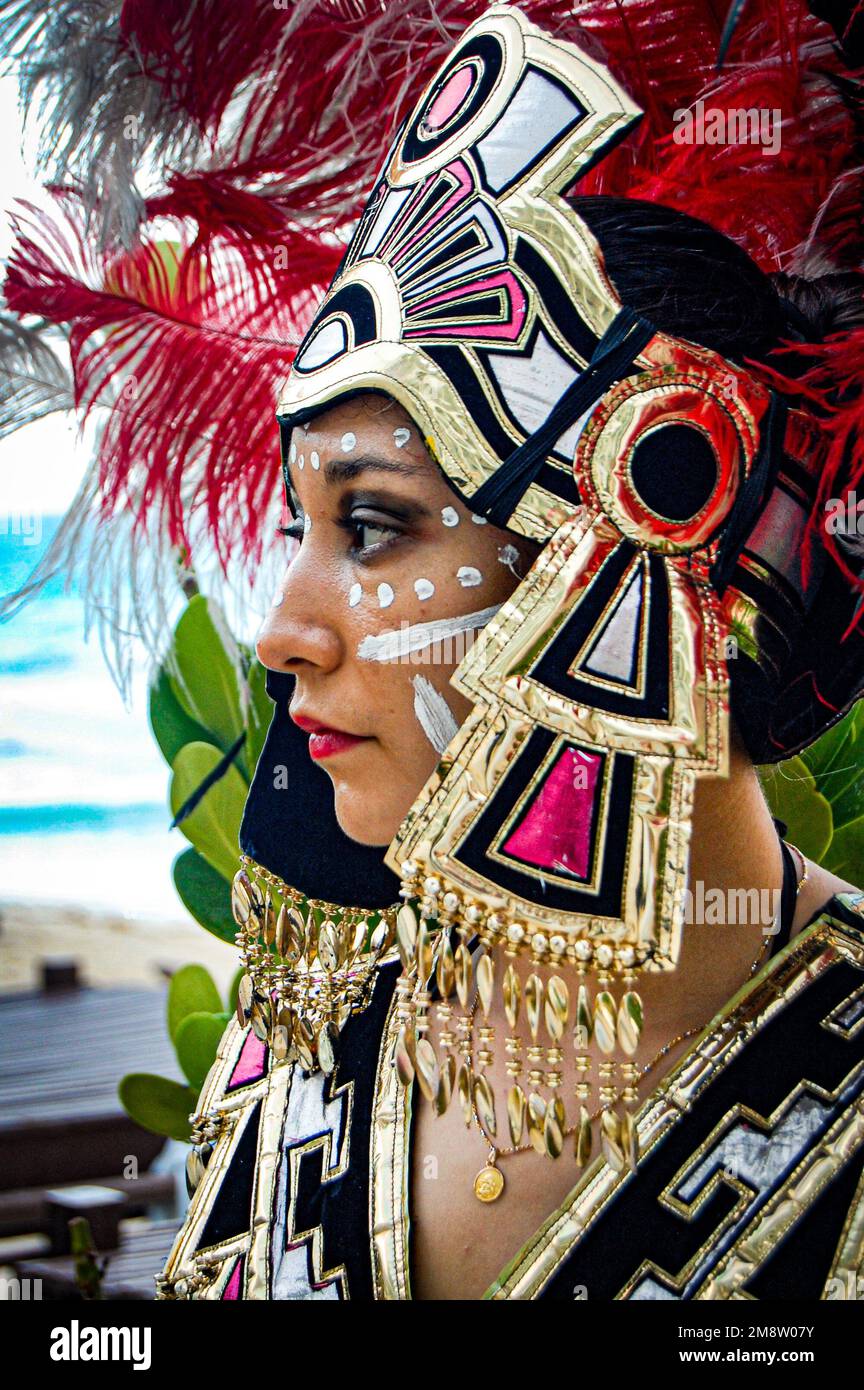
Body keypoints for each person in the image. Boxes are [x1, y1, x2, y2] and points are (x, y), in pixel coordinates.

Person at [157, 4, 864, 1301]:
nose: (279, 631)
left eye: (375, 524)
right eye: (296, 524)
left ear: (656, 515)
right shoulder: (297, 1039)